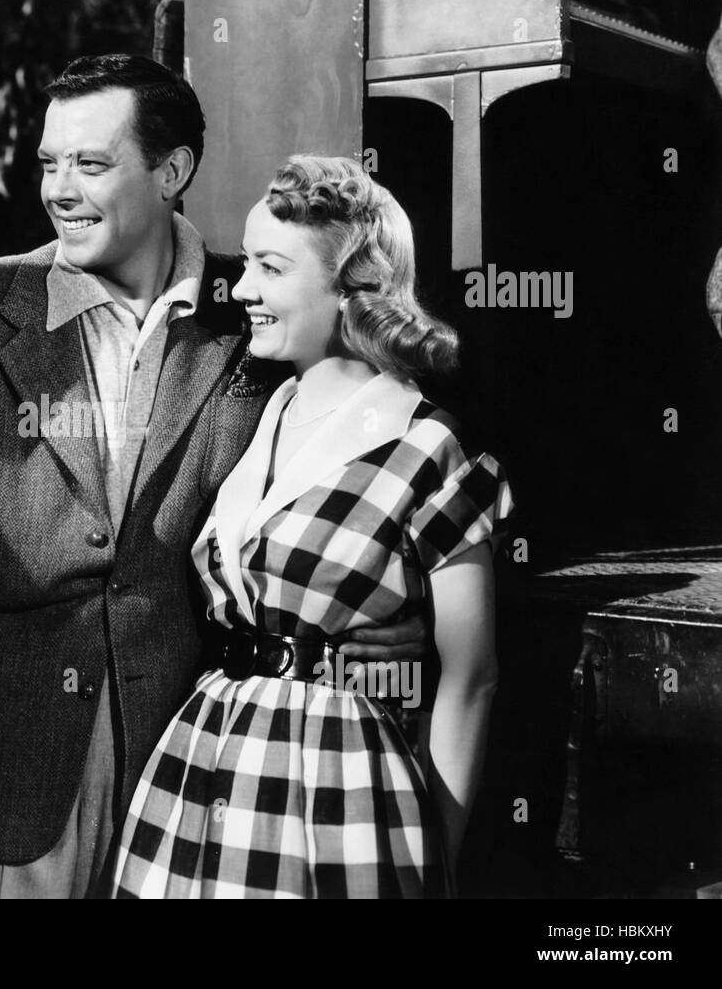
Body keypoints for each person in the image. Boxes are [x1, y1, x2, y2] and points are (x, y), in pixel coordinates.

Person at [0, 56, 426, 899]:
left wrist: (384, 619)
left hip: (203, 768)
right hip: (2, 772)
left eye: (91, 164)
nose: (60, 189)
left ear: (172, 172)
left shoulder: (262, 309)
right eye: (48, 163)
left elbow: (363, 467)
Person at [112, 155, 513, 899]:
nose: (242, 288)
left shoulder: (426, 446)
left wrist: (437, 859)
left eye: (271, 267)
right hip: (208, 761)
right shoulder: (258, 409)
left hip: (340, 780)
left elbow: (472, 675)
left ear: (350, 287)